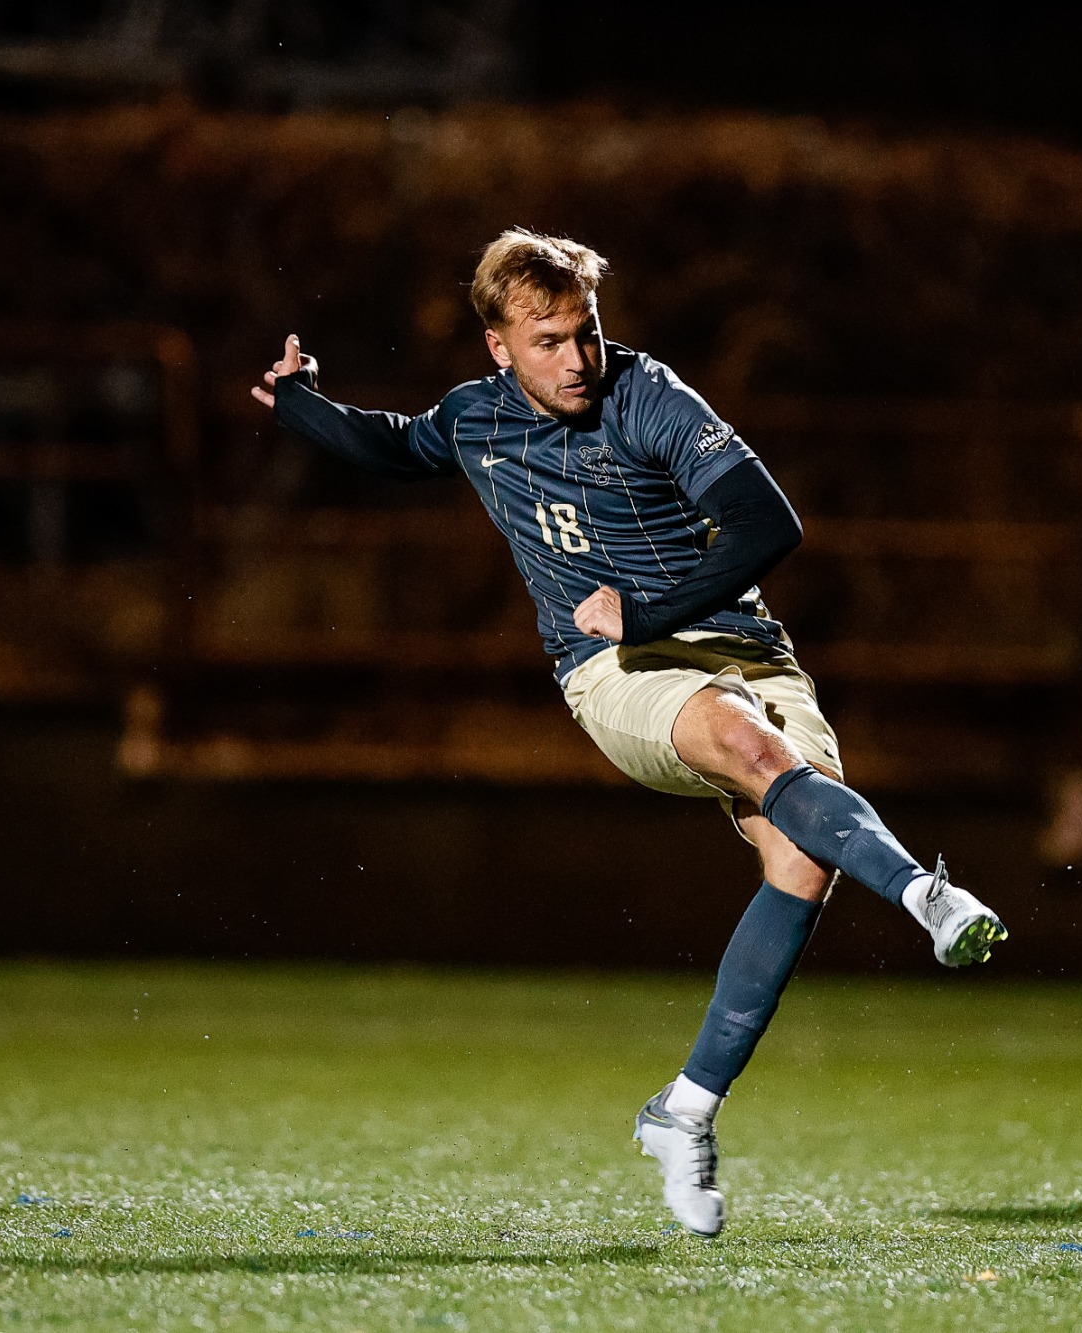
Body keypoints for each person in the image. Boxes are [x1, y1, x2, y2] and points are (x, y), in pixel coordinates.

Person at [250, 229, 1008, 1237]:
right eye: (550, 339)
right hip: (612, 671)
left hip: (739, 643)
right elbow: (392, 446)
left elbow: (765, 523)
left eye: (586, 334)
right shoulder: (476, 419)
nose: (575, 359)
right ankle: (927, 892)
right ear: (498, 348)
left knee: (798, 859)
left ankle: (683, 1109)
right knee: (749, 746)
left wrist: (652, 608)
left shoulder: (647, 395)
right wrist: (301, 401)